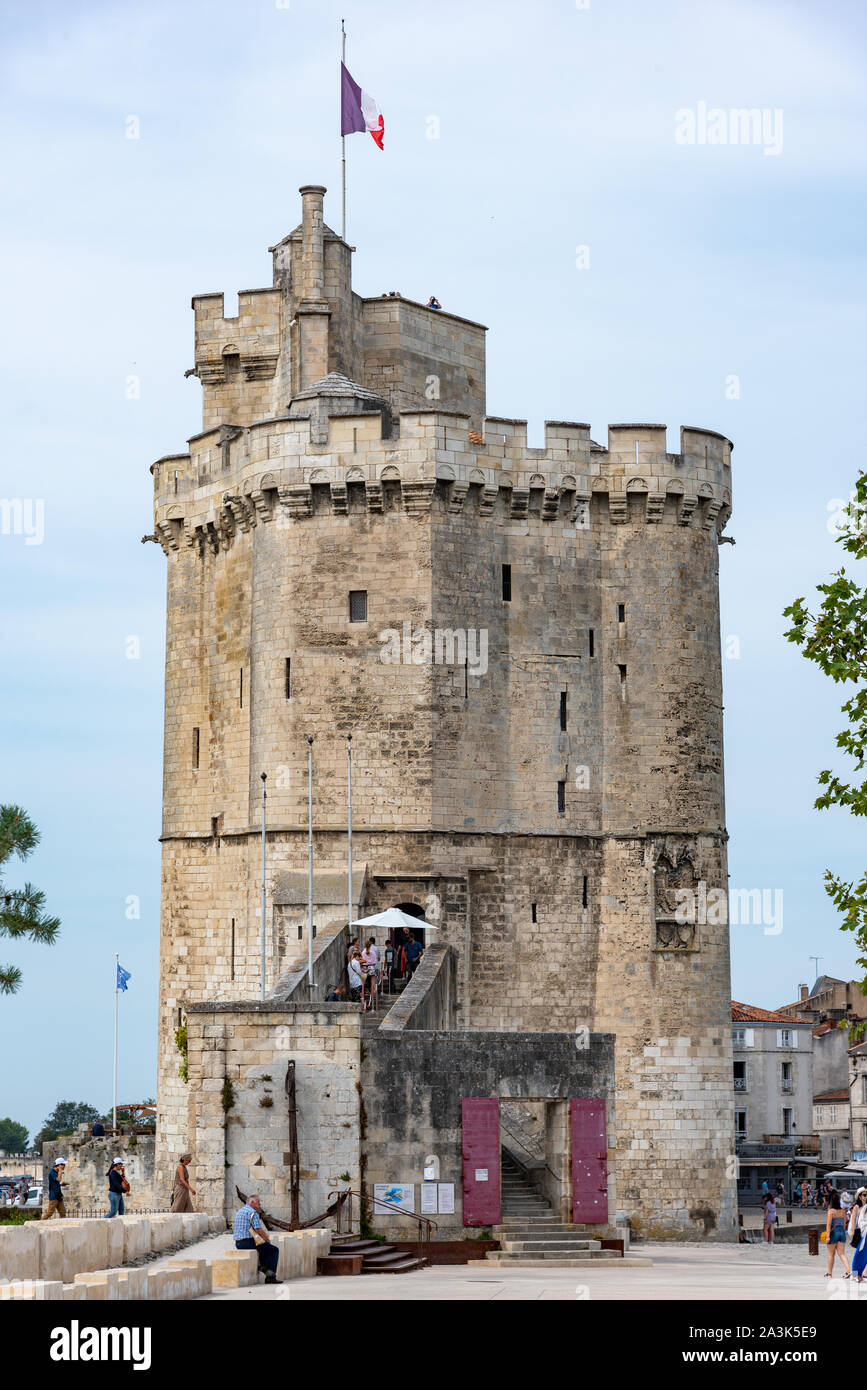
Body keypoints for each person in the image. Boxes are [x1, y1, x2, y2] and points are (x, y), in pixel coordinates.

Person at [233, 1195, 281, 1284]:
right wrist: (267, 1239)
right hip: (248, 1242)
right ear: (251, 1202)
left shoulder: (240, 1211)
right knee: (274, 1250)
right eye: (258, 1202)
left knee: (263, 1248)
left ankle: (263, 1267)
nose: (260, 1204)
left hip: (238, 1243)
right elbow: (258, 1230)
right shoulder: (253, 1212)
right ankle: (271, 1276)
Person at [824, 1188, 851, 1278]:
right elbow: (844, 1224)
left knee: (831, 1254)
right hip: (842, 1233)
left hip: (833, 1233)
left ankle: (829, 1273)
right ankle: (848, 1270)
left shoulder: (831, 1211)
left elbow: (828, 1225)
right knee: (842, 1254)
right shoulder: (842, 1212)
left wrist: (828, 1236)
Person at [850, 1189, 867, 1283]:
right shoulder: (857, 1207)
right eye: (864, 1195)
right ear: (860, 1196)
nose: (866, 1196)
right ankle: (855, 1274)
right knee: (859, 1253)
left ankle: (861, 1274)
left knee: (864, 1254)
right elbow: (854, 1220)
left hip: (864, 1231)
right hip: (860, 1231)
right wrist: (852, 1231)